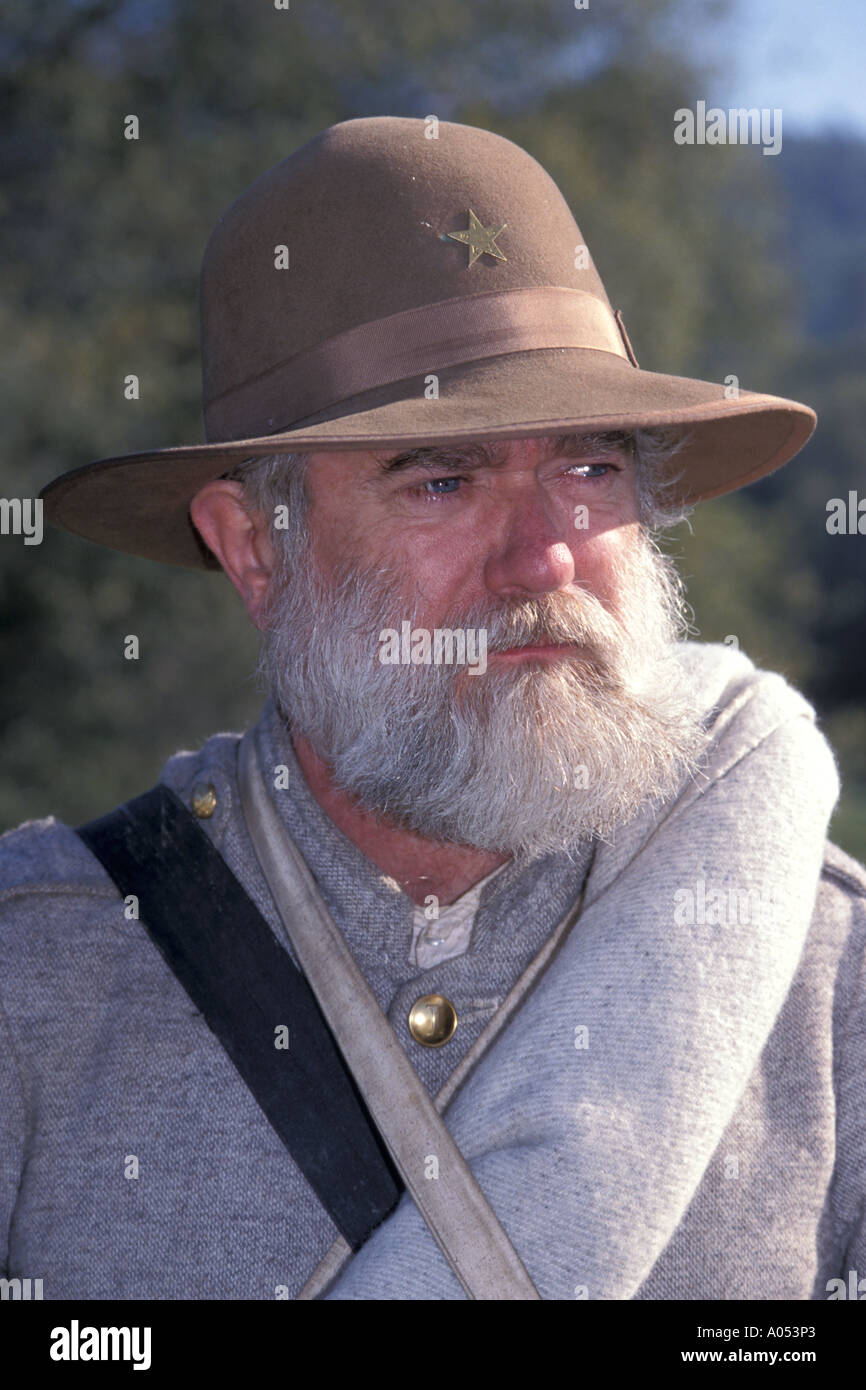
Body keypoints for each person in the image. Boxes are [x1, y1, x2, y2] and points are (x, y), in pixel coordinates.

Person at [2, 116, 864, 1301]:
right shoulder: (31, 972)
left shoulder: (833, 983)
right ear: (255, 548)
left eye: (588, 468)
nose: (546, 561)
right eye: (444, 480)